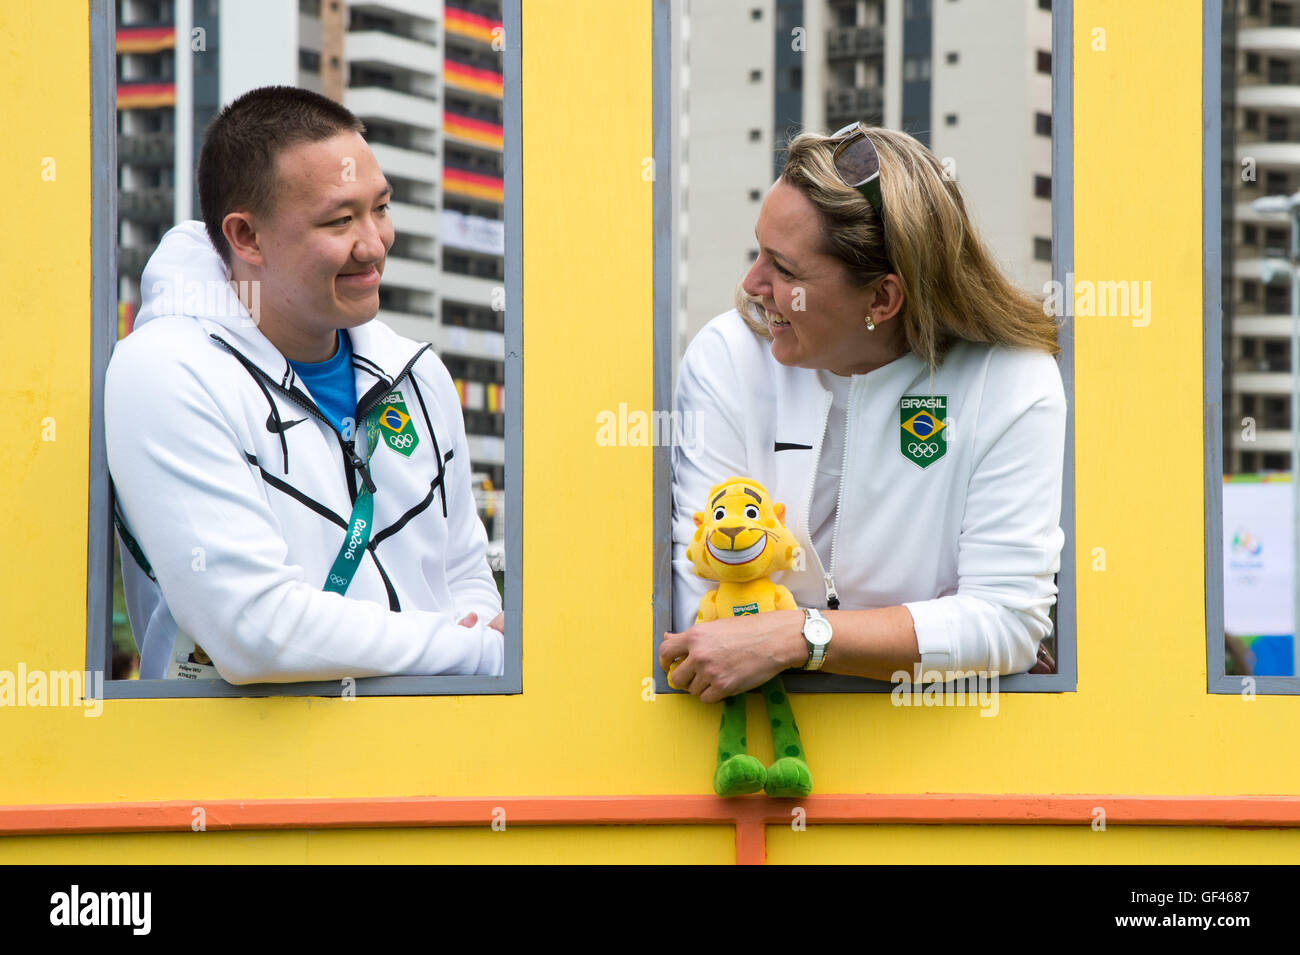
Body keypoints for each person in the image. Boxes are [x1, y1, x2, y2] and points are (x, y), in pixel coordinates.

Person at [106, 86, 504, 684]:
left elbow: (466, 579)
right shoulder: (164, 373)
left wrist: (467, 649)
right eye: (340, 220)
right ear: (246, 236)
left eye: (382, 207)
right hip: (244, 773)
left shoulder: (417, 371)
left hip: (437, 764)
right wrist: (470, 652)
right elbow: (255, 629)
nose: (373, 244)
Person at [661, 123, 1066, 703]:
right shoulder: (726, 355)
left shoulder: (1012, 380)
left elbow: (1007, 624)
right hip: (754, 762)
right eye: (758, 251)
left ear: (882, 299)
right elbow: (700, 618)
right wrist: (917, 635)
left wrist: (799, 636)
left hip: (936, 763)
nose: (752, 284)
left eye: (785, 269)